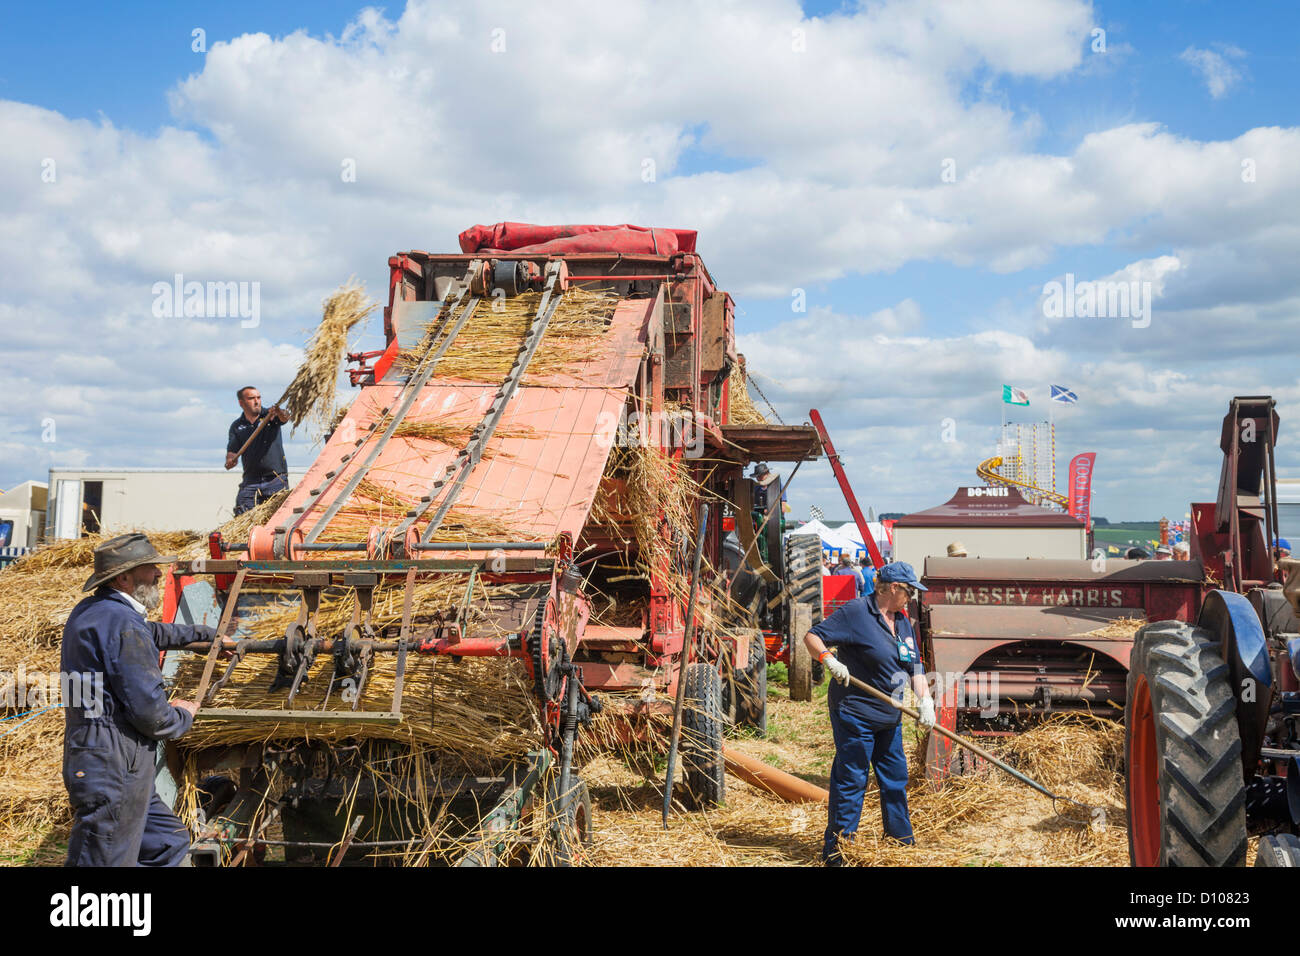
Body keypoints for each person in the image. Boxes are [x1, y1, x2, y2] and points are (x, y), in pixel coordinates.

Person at [61, 534, 219, 866]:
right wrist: (183, 716)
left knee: (167, 842)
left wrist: (207, 636)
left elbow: (152, 633)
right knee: (105, 861)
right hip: (115, 766)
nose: (158, 575)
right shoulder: (122, 623)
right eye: (150, 569)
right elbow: (151, 714)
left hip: (106, 760)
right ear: (124, 577)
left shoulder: (94, 611)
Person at [803, 562, 936, 865]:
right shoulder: (856, 612)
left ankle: (900, 843)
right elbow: (812, 636)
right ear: (893, 588)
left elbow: (913, 666)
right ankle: (838, 851)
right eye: (909, 591)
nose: (912, 597)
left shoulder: (903, 621)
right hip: (856, 713)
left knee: (895, 779)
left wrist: (924, 699)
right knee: (852, 780)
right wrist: (828, 660)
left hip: (890, 716)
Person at [226, 385, 290, 515]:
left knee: (279, 516)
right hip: (251, 480)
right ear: (241, 403)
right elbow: (232, 451)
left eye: (258, 397)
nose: (257, 401)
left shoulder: (271, 416)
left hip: (275, 479)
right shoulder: (237, 426)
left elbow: (285, 417)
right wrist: (230, 460)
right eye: (251, 398)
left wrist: (279, 412)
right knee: (242, 514)